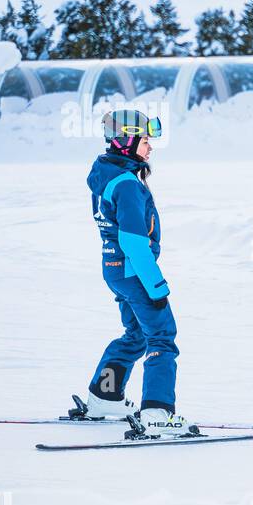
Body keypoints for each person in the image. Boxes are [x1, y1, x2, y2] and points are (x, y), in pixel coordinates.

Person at [83, 109, 188, 439]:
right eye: (145, 141)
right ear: (126, 141)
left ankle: (105, 395)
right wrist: (156, 288)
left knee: (136, 335)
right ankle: (157, 411)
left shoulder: (107, 175)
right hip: (134, 270)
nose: (150, 147)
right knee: (161, 336)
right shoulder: (128, 185)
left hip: (114, 269)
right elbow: (134, 242)